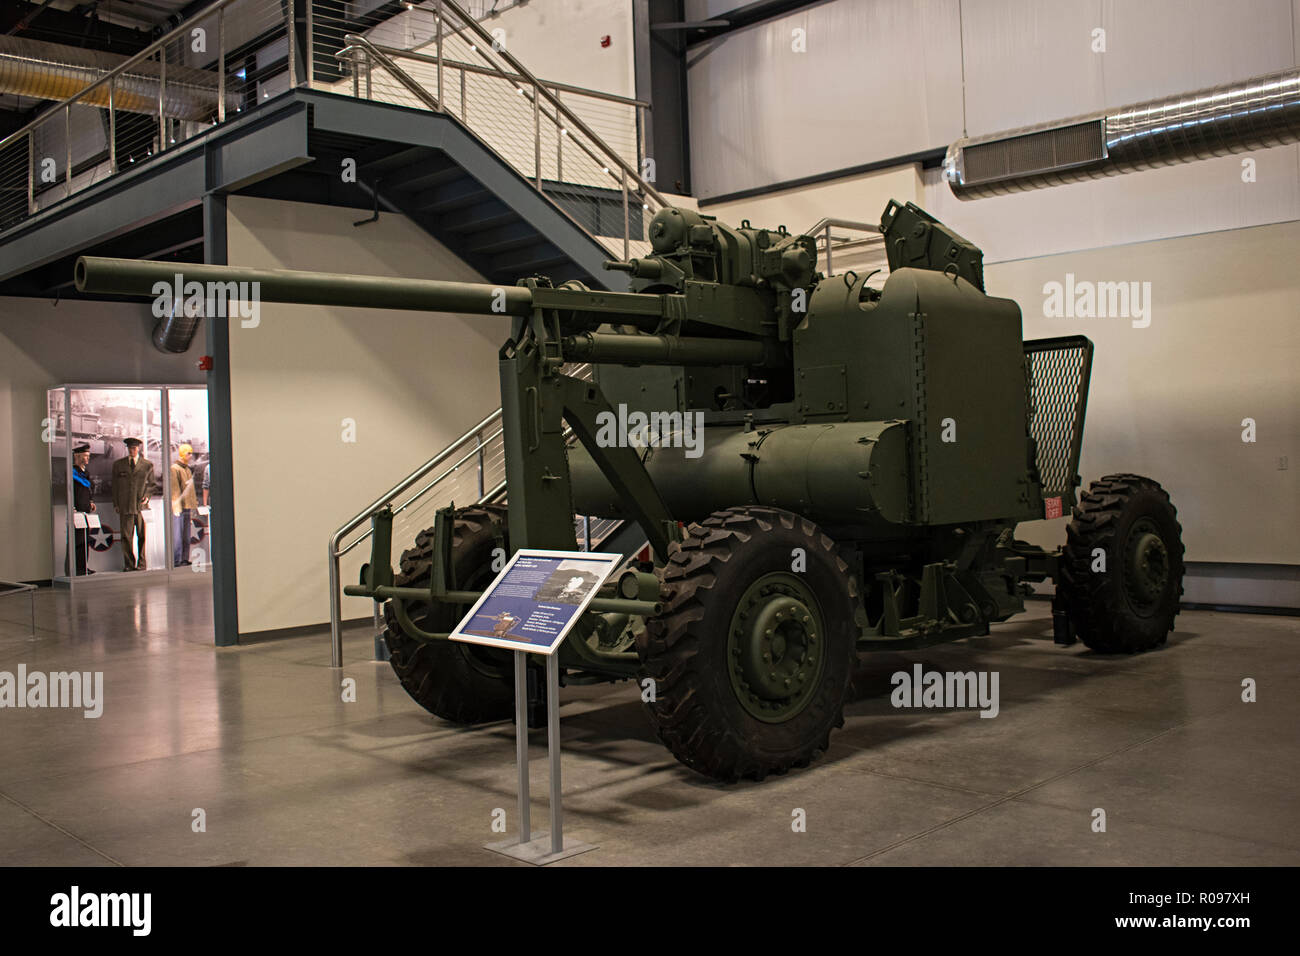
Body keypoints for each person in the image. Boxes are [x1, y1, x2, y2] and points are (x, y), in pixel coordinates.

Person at [111, 437, 154, 571]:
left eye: (134, 448)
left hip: (140, 507)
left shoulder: (147, 465)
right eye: (130, 448)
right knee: (126, 537)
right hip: (125, 507)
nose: (132, 450)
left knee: (142, 536)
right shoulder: (118, 465)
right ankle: (129, 565)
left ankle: (142, 564)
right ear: (127, 448)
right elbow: (115, 486)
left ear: (139, 448)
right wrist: (116, 504)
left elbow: (152, 485)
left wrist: (147, 497)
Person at [66, 442, 96, 576]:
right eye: (85, 456)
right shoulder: (72, 472)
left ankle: (83, 567)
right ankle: (74, 569)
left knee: (85, 540)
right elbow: (69, 491)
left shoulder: (86, 472)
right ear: (77, 456)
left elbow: (87, 490)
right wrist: (71, 506)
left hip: (85, 510)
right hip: (76, 510)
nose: (87, 458)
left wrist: (90, 501)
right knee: (77, 541)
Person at [170, 443, 199, 566]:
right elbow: (175, 490)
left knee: (186, 535)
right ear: (182, 454)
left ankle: (184, 558)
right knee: (178, 534)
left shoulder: (187, 469)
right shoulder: (175, 469)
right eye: (188, 453)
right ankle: (177, 559)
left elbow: (190, 489)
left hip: (187, 506)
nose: (190, 456)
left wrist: (193, 505)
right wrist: (176, 507)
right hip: (179, 507)